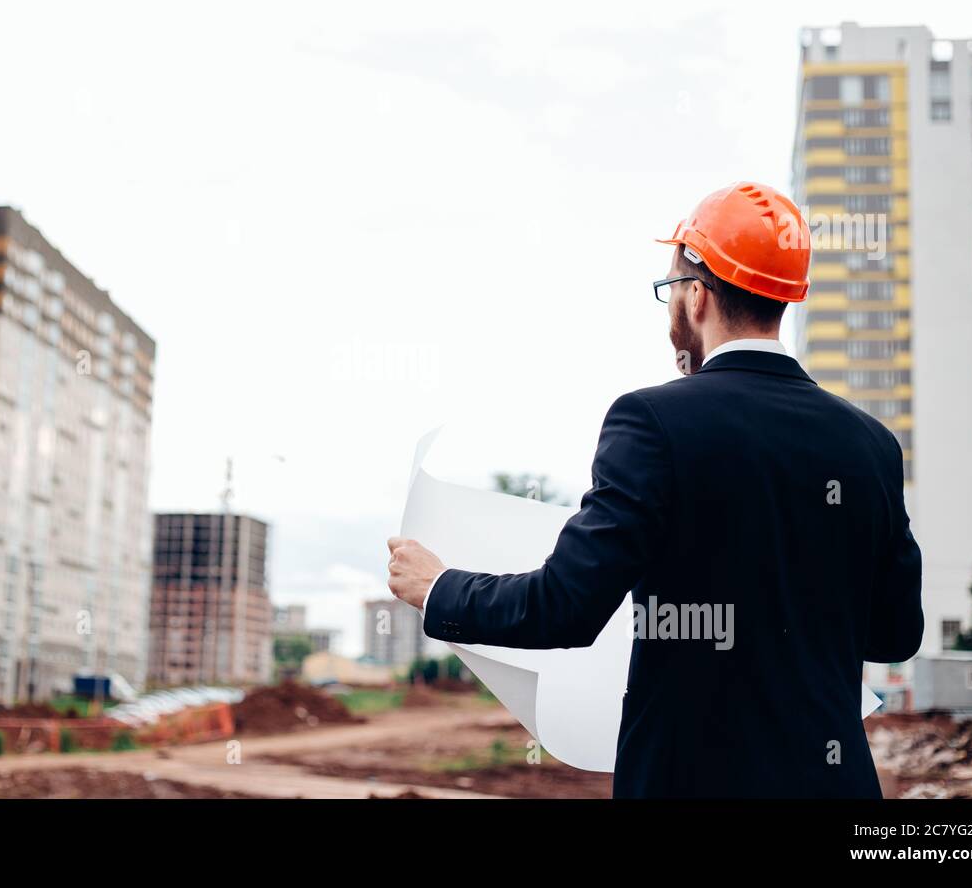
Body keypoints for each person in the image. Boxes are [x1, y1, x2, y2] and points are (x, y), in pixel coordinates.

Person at [385, 182, 923, 797]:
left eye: (670, 288)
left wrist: (439, 588)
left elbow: (566, 606)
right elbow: (894, 634)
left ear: (697, 295)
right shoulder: (872, 445)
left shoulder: (651, 421)